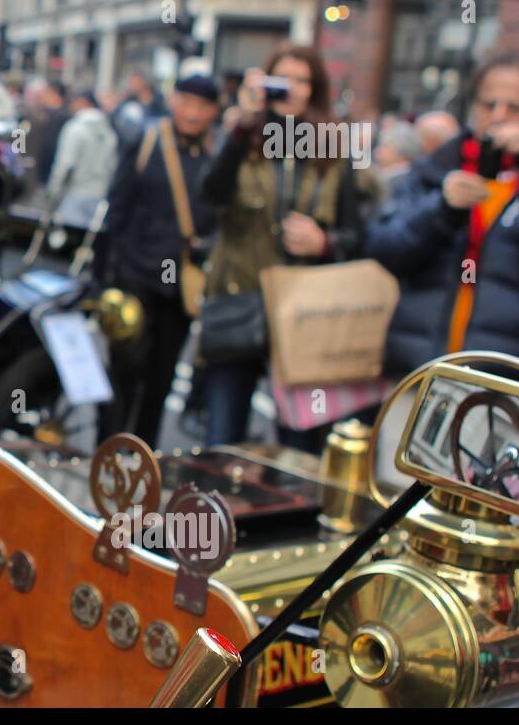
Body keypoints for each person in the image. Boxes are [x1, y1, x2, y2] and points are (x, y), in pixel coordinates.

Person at [198, 44, 365, 451]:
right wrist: (241, 125)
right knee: (223, 438)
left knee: (299, 444)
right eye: (282, 78)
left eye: (303, 80)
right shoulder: (243, 137)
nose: (291, 89)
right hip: (238, 296)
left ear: (315, 90)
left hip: (301, 313)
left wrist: (323, 242)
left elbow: (357, 235)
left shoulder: (331, 146)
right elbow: (210, 194)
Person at [366, 50, 519, 378]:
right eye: (488, 104)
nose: (499, 116)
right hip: (422, 365)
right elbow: (386, 248)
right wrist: (443, 208)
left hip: (504, 378)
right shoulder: (436, 169)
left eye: (514, 107)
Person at [100, 75, 221, 447]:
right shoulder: (145, 141)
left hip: (180, 287)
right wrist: (101, 281)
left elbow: (223, 219)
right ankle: (107, 453)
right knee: (123, 372)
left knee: (161, 378)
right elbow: (115, 211)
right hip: (134, 276)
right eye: (187, 102)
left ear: (214, 111)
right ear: (173, 101)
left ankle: (145, 456)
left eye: (202, 106)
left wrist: (207, 247)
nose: (193, 113)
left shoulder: (217, 158)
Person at [46, 87, 118, 223]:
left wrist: (53, 192)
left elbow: (65, 164)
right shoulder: (109, 131)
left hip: (74, 194)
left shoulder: (75, 128)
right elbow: (112, 166)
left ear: (83, 102)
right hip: (100, 197)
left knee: (68, 240)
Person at [112, 67, 168, 151]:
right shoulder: (127, 105)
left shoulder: (159, 104)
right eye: (131, 82)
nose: (131, 85)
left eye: (135, 82)